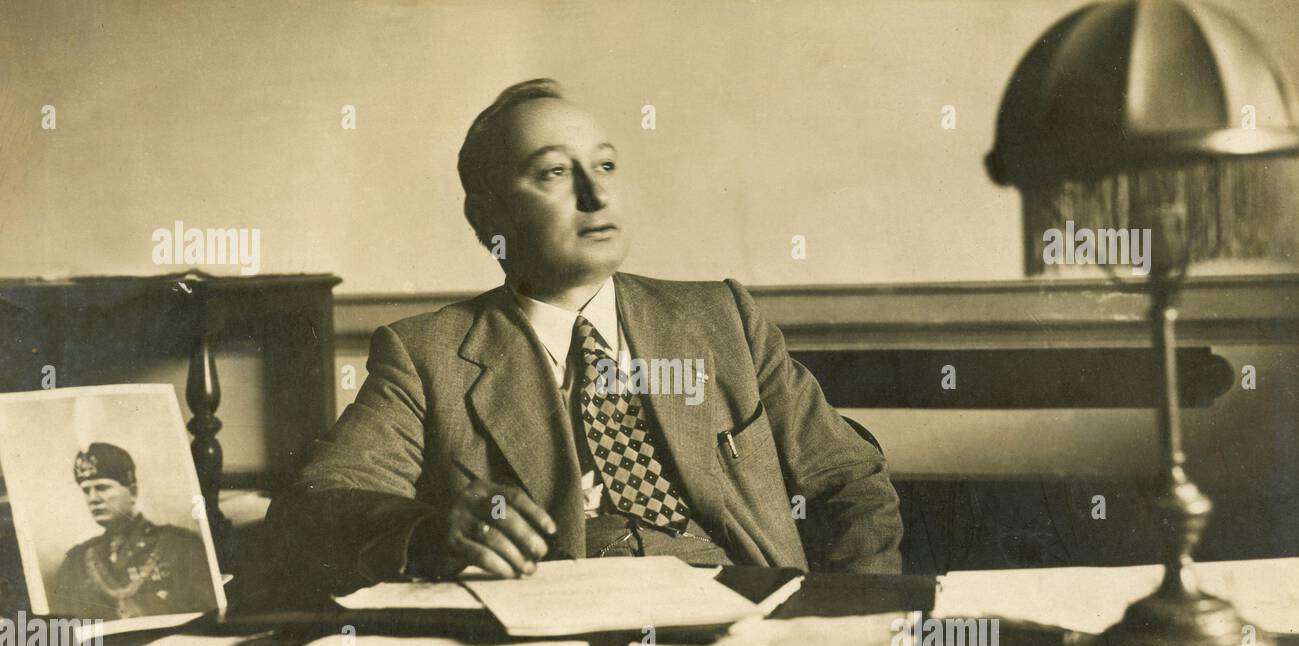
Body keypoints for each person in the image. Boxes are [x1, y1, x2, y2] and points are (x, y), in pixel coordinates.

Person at [267, 79, 902, 593]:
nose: (596, 195)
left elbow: (852, 483)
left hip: (753, 620)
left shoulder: (722, 318)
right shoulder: (427, 355)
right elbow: (313, 508)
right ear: (485, 215)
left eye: (605, 165)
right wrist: (429, 529)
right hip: (562, 642)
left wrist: (847, 621)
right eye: (553, 174)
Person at [52, 442, 215, 620]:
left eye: (102, 488)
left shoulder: (181, 547)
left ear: (132, 492)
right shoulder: (76, 563)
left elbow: (209, 616)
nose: (93, 498)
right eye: (86, 490)